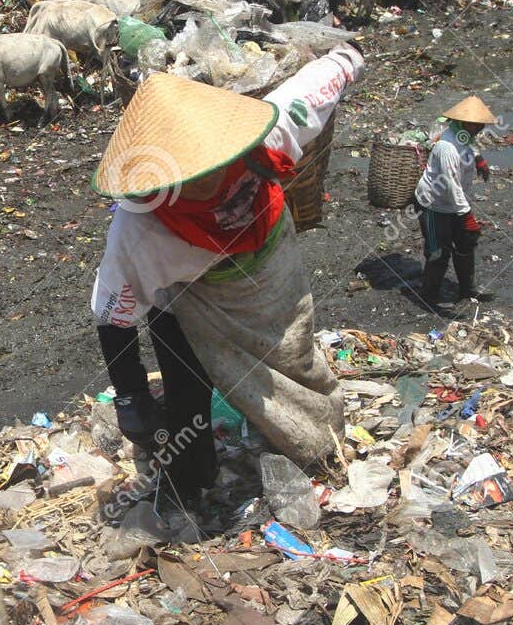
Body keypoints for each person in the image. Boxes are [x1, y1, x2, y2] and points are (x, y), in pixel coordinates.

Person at [91, 46, 365, 507]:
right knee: (185, 390)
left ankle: (315, 442)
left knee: (292, 356)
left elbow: (317, 87)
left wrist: (347, 57)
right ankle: (191, 484)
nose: (207, 184)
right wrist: (131, 395)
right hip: (189, 295)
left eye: (214, 167)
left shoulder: (266, 132)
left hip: (270, 262)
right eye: (191, 176)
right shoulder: (142, 230)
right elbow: (113, 313)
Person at [413, 95, 496, 308]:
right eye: (475, 125)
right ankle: (428, 296)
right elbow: (449, 183)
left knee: (465, 244)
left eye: (480, 125)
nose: (478, 128)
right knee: (437, 251)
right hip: (433, 204)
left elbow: (469, 144)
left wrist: (478, 158)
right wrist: (467, 216)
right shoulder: (446, 147)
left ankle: (467, 290)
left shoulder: (463, 134)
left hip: (454, 202)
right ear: (463, 122)